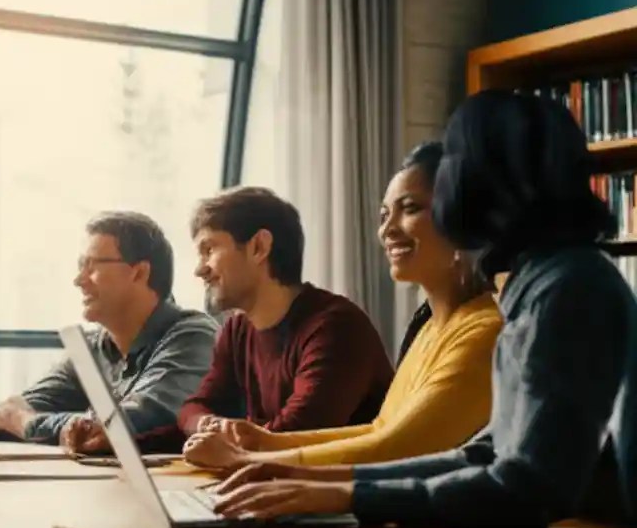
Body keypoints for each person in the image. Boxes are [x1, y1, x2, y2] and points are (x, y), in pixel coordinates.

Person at [210, 90, 637, 528]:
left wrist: (348, 495)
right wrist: (313, 480)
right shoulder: (545, 284)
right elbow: (485, 454)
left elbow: (531, 485)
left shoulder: (569, 290)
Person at [182, 142, 501, 473]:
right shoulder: (431, 330)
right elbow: (380, 429)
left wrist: (250, 459)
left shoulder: (485, 332)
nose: (386, 230)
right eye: (383, 216)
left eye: (410, 208)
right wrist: (265, 442)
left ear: (459, 220)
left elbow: (400, 448)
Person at [0, 212, 219, 455]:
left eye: (91, 266)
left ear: (139, 272)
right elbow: (32, 403)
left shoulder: (192, 336)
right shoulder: (95, 346)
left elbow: (126, 424)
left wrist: (24, 423)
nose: (78, 280)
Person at [176, 187, 394, 444]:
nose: (199, 269)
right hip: (277, 467)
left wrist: (218, 436)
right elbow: (195, 408)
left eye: (209, 250)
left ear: (259, 247)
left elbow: (296, 433)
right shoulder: (237, 330)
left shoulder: (337, 328)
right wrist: (206, 424)